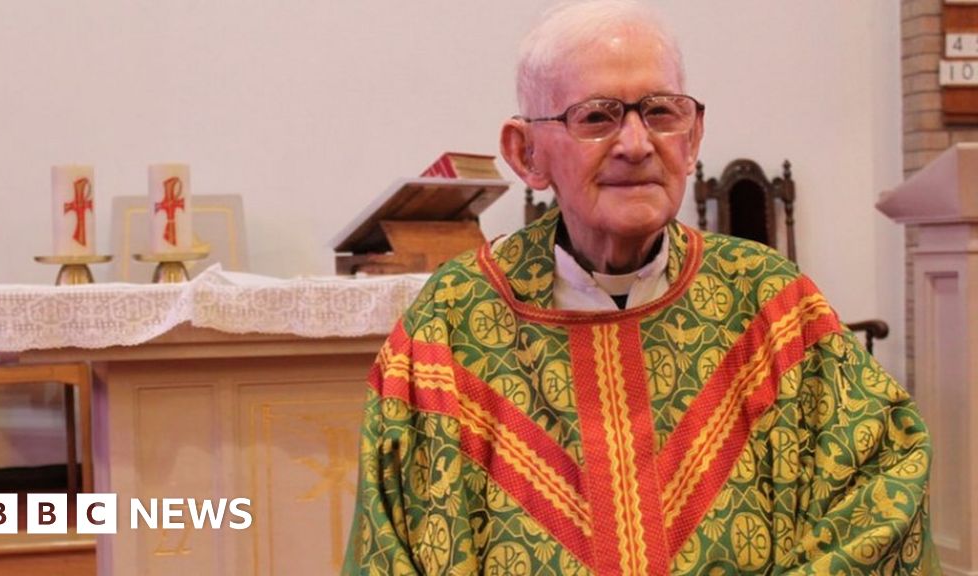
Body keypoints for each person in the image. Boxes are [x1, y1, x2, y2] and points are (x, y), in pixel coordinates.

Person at [343, 1, 939, 573]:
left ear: (693, 136)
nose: (635, 144)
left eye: (660, 112)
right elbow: (396, 540)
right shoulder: (450, 325)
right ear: (527, 153)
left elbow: (882, 483)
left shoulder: (772, 306)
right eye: (597, 117)